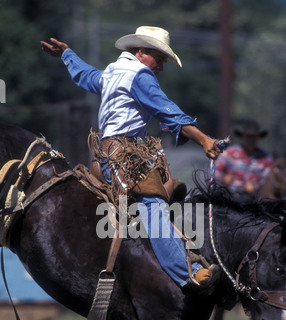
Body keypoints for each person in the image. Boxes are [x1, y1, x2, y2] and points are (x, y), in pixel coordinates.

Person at [41, 26, 222, 292]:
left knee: (172, 192)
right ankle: (189, 273)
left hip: (112, 155)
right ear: (141, 52)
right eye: (159, 59)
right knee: (152, 204)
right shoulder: (140, 76)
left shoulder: (115, 71)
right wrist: (205, 140)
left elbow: (86, 76)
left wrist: (67, 54)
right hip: (122, 156)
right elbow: (168, 112)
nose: (160, 67)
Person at [215, 120, 273, 197]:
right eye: (248, 136)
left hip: (254, 198)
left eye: (254, 137)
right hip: (228, 196)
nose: (251, 140)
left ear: (258, 138)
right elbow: (216, 171)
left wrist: (255, 187)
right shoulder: (229, 153)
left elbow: (267, 178)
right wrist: (223, 180)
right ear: (242, 136)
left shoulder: (266, 157)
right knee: (203, 204)